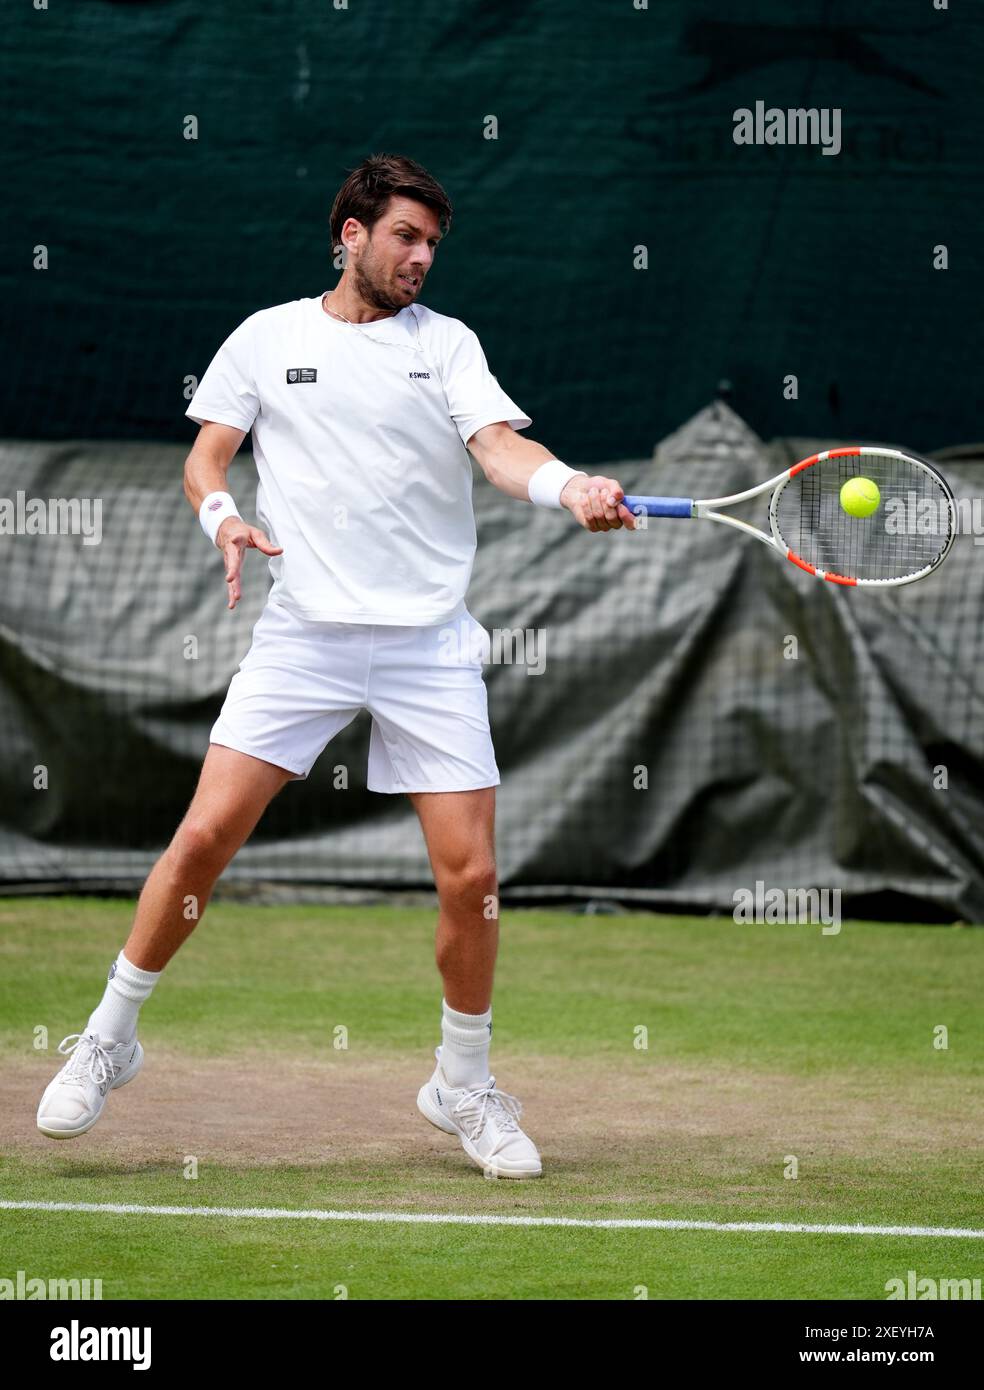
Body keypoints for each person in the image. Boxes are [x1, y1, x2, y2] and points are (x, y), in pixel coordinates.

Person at [36, 153, 635, 1179]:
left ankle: (462, 1082)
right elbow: (205, 458)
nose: (421, 258)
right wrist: (224, 518)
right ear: (350, 234)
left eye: (432, 243)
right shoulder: (267, 339)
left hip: (427, 645)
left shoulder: (446, 345)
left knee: (473, 877)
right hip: (305, 636)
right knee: (203, 840)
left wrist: (568, 485)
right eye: (405, 236)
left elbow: (497, 447)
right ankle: (109, 1035)